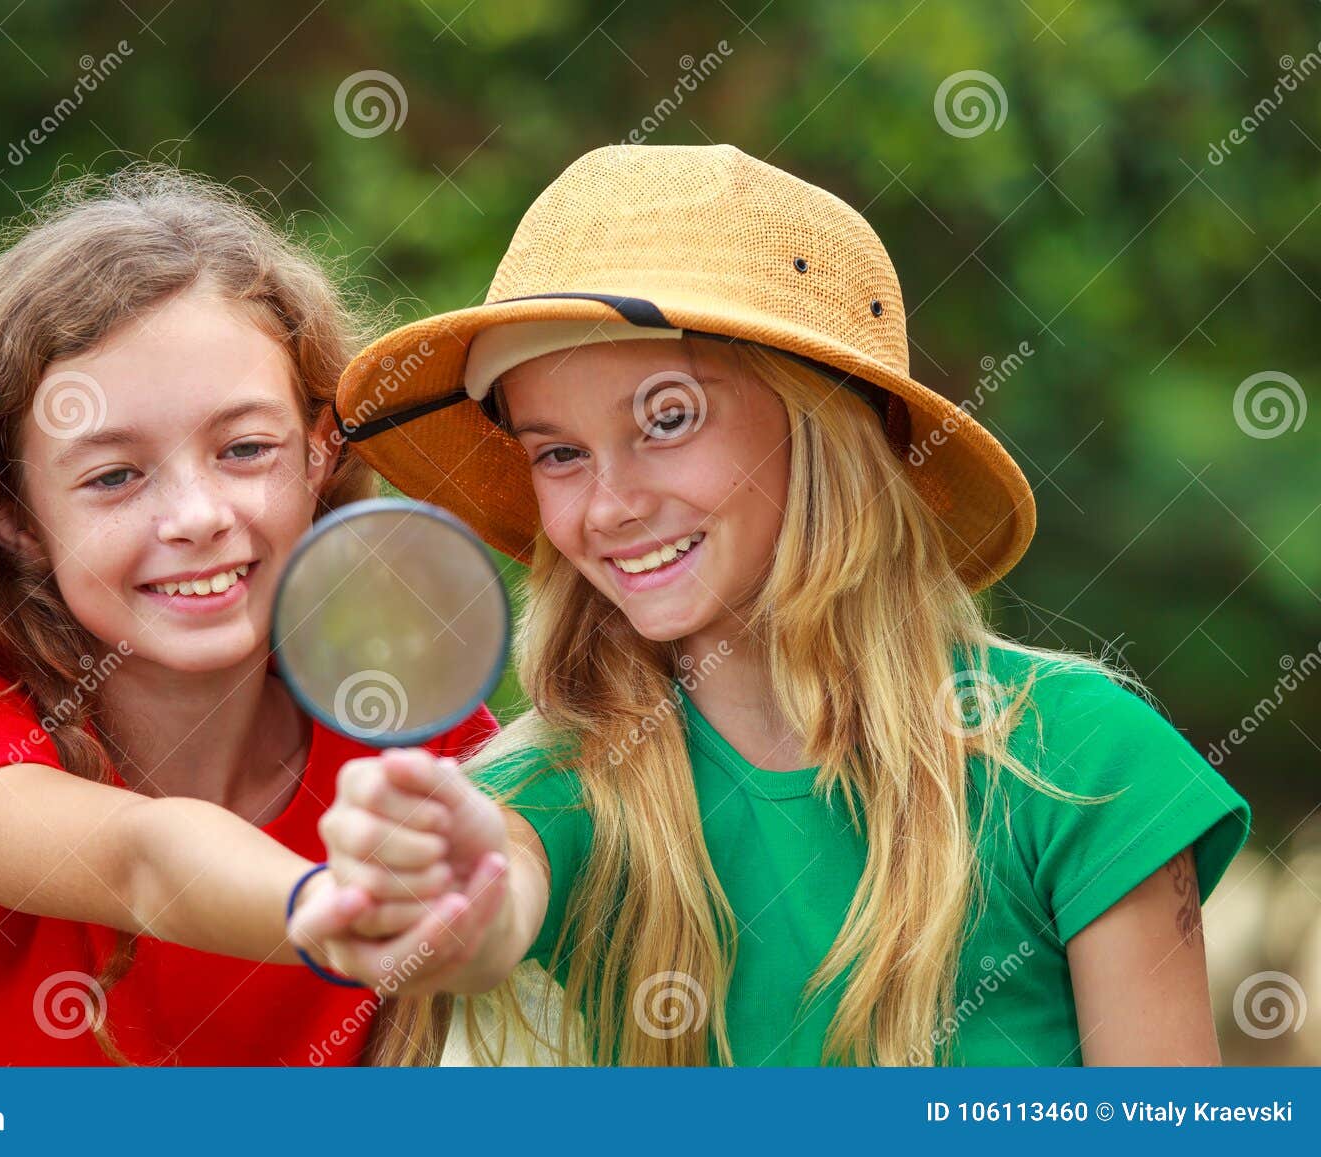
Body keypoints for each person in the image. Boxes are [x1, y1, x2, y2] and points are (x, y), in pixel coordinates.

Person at [290, 144, 1252, 1066]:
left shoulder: (1080, 760)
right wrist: (445, 887)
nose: (611, 504)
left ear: (829, 425)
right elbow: (491, 902)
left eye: (667, 419)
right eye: (558, 452)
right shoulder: (564, 782)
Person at [0, 166, 494, 1066]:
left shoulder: (407, 730)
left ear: (320, 456)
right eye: (115, 475)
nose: (197, 515)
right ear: (13, 516)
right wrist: (349, 913)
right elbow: (146, 859)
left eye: (246, 448)